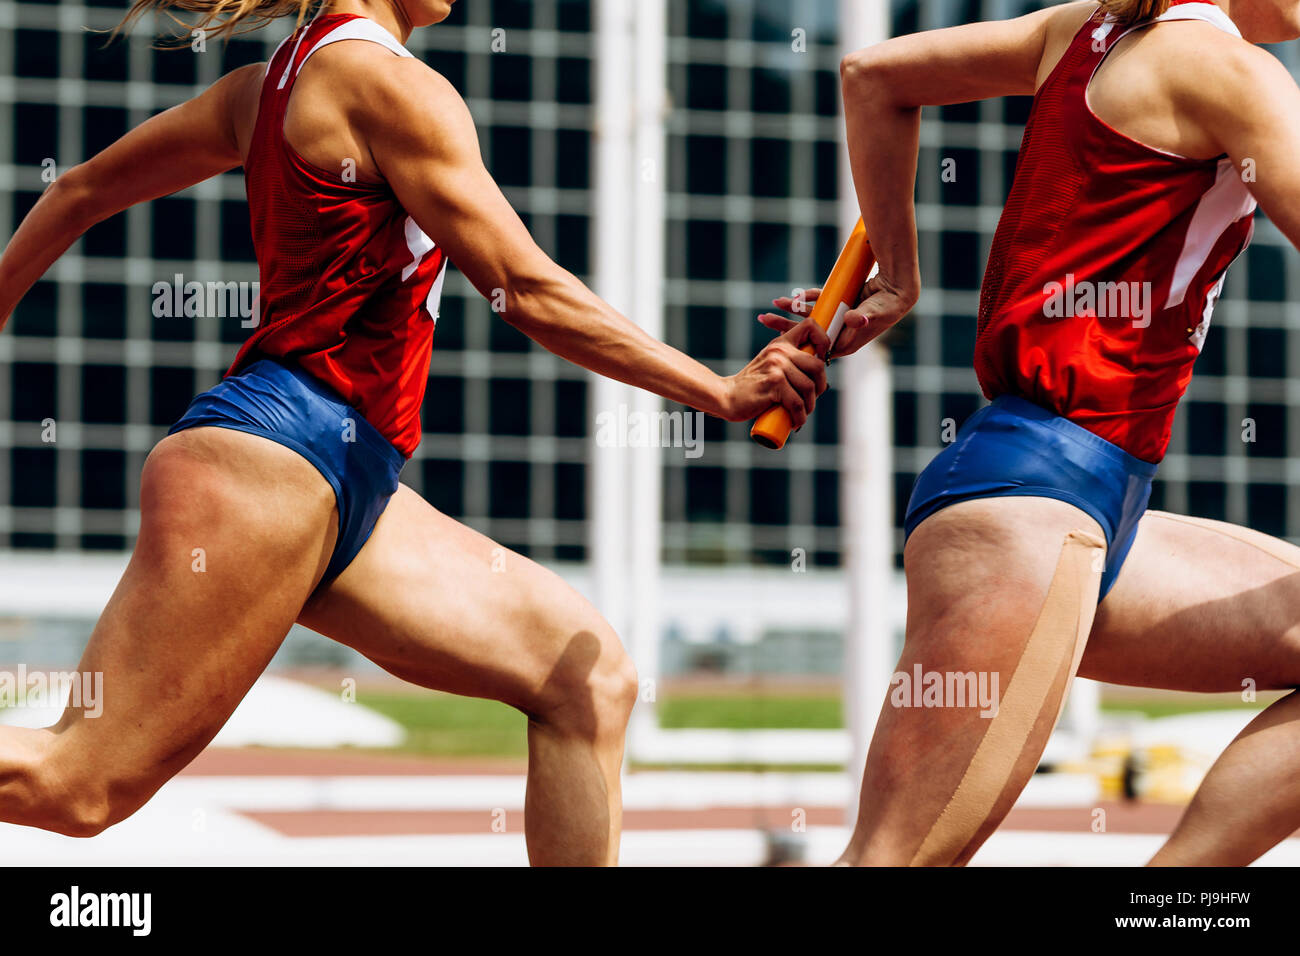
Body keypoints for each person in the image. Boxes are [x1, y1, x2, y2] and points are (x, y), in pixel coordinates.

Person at [0, 0, 832, 866]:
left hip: (349, 482)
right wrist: (717, 389)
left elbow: (79, 190)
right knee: (78, 783)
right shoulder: (390, 84)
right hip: (274, 460)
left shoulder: (266, 89)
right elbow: (524, 287)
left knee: (585, 681)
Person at [762, 0, 1300, 865]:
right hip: (1034, 503)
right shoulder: (1231, 73)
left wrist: (898, 279)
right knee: (894, 860)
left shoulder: (1079, 28)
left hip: (1084, 497)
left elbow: (876, 77)